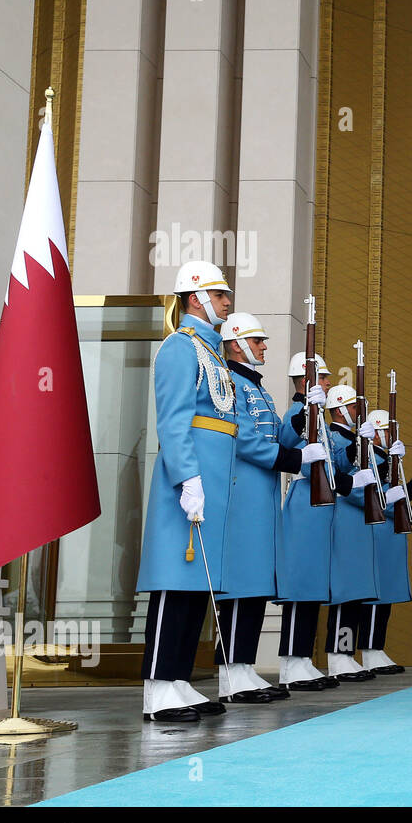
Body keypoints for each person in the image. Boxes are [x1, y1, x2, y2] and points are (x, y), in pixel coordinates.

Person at [135, 260, 236, 723]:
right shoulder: (180, 348)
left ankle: (178, 680)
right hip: (189, 480)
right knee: (175, 582)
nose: (227, 303)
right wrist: (187, 476)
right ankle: (157, 687)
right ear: (196, 298)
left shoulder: (212, 353)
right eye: (220, 296)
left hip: (210, 480)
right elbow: (173, 420)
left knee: (198, 585)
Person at [216, 313, 329, 703]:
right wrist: (297, 462)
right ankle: (230, 672)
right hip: (241, 492)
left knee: (256, 584)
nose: (264, 346)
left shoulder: (258, 389)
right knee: (239, 584)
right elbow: (245, 441)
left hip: (261, 495)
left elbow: (279, 436)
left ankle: (244, 667)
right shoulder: (230, 383)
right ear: (236, 342)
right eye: (257, 340)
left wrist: (302, 412)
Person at [279, 351, 342, 690]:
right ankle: (291, 661)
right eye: (323, 377)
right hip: (305, 502)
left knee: (314, 584)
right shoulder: (297, 412)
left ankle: (302, 658)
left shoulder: (320, 419)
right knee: (301, 584)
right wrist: (304, 409)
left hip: (322, 505)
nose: (329, 382)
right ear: (306, 382)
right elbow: (286, 441)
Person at [323, 384, 380, 682]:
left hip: (358, 521)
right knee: (345, 592)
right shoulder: (335, 438)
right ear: (341, 409)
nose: (359, 413)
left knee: (355, 591)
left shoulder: (355, 438)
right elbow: (338, 474)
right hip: (344, 515)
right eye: (355, 408)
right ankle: (338, 654)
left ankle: (346, 654)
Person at [359, 408, 412, 674]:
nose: (391, 436)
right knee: (376, 594)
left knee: (385, 596)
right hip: (377, 531)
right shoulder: (373, 458)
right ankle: (369, 650)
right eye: (387, 431)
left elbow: (396, 494)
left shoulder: (385, 458)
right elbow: (379, 499)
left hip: (389, 532)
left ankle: (377, 647)